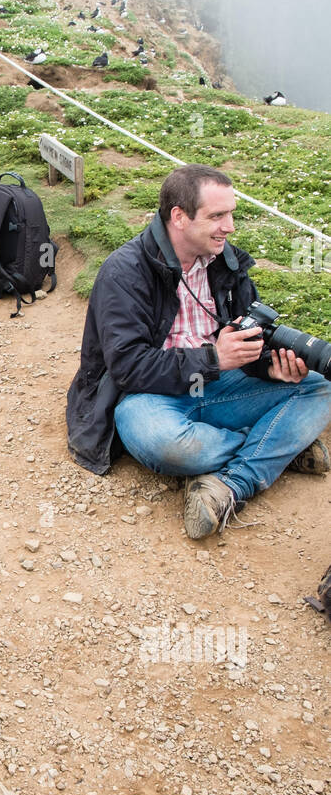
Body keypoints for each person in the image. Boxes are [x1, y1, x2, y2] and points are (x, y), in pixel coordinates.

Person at [66, 164, 331, 538]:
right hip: (148, 398)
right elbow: (127, 367)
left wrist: (270, 366)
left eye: (231, 213)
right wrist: (214, 358)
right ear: (179, 216)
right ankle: (276, 446)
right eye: (217, 216)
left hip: (220, 384)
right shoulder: (124, 271)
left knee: (317, 386)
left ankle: (232, 483)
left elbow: (249, 336)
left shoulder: (227, 260)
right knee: (167, 445)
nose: (230, 226)